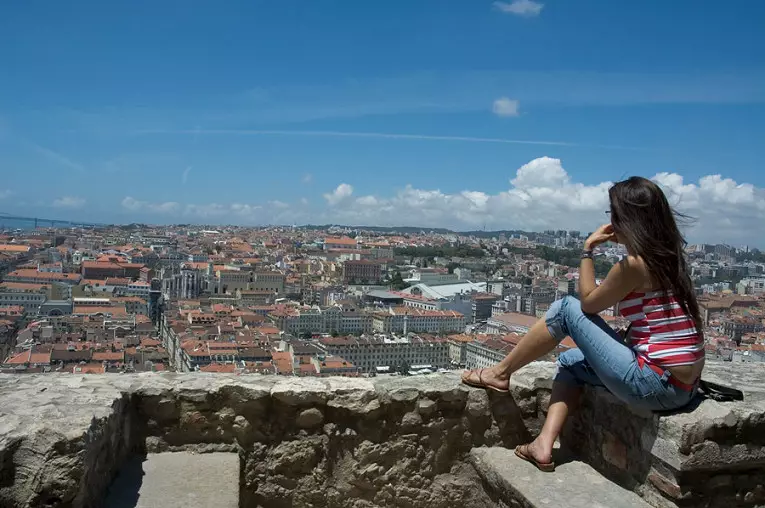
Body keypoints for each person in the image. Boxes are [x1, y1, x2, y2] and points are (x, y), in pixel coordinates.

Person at [461, 176, 704, 472]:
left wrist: (588, 249)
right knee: (571, 361)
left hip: (654, 384)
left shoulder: (635, 264)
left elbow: (587, 303)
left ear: (625, 219)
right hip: (684, 388)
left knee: (565, 308)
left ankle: (499, 373)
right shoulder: (671, 258)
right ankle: (543, 444)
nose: (611, 221)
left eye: (613, 214)